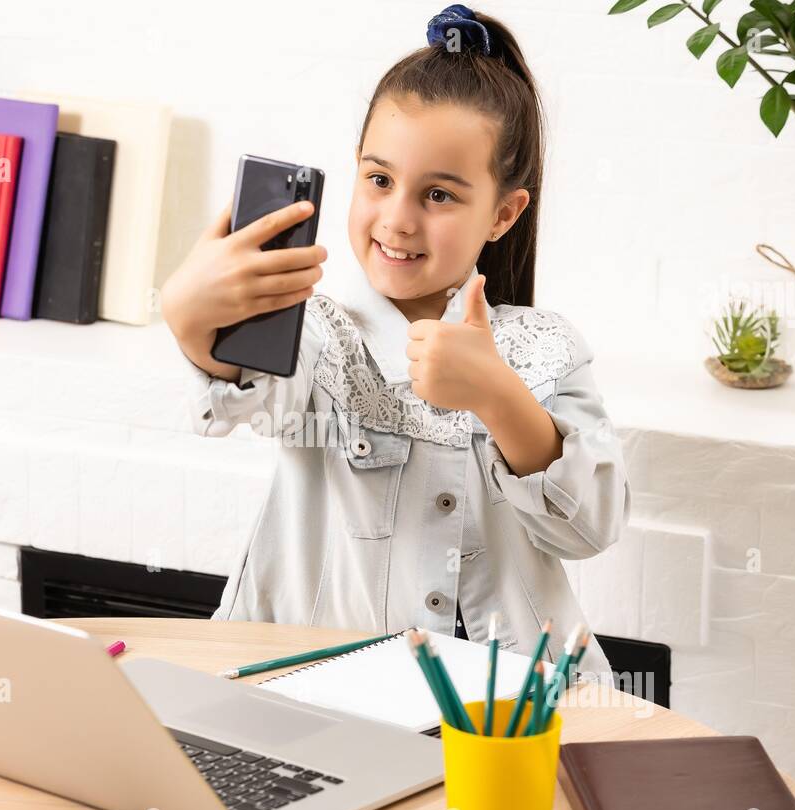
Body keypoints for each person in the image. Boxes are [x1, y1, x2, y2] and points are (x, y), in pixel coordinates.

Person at [160, 5, 631, 678]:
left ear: (503, 213)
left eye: (438, 195)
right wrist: (191, 323)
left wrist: (499, 396)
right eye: (379, 180)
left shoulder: (547, 349)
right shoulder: (315, 332)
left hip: (509, 715)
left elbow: (589, 528)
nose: (399, 220)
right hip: (324, 697)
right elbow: (244, 402)